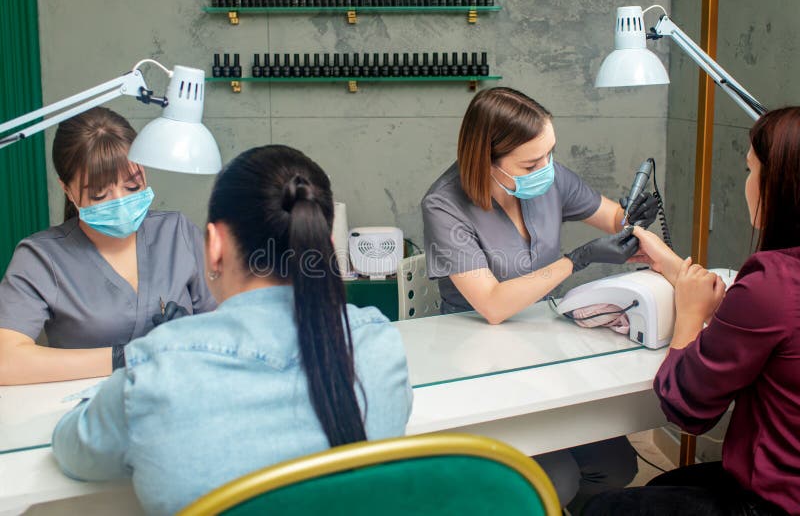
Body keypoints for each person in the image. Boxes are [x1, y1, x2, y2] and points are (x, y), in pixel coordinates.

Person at [51, 145, 413, 515]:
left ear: (216, 246)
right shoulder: (379, 347)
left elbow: (72, 451)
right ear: (326, 245)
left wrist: (117, 387)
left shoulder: (156, 373)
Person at [421, 87, 658, 510]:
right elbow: (492, 305)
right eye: (531, 162)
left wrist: (636, 226)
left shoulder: (548, 178)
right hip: (478, 361)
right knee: (556, 479)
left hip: (546, 348)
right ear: (486, 161)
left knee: (617, 467)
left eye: (550, 153)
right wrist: (579, 258)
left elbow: (614, 218)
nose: (546, 168)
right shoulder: (444, 206)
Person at [584, 107, 800, 515]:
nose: (747, 184)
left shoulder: (772, 282)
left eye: (751, 171)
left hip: (774, 502)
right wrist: (669, 263)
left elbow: (687, 408)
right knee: (669, 484)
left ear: (781, 184)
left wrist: (689, 315)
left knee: (606, 508)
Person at [0, 107, 215, 385]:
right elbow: (6, 360)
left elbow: (232, 326)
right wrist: (125, 357)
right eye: (100, 194)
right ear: (67, 189)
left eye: (132, 187)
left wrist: (193, 333)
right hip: (86, 414)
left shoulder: (177, 233)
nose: (119, 201)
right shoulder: (41, 258)